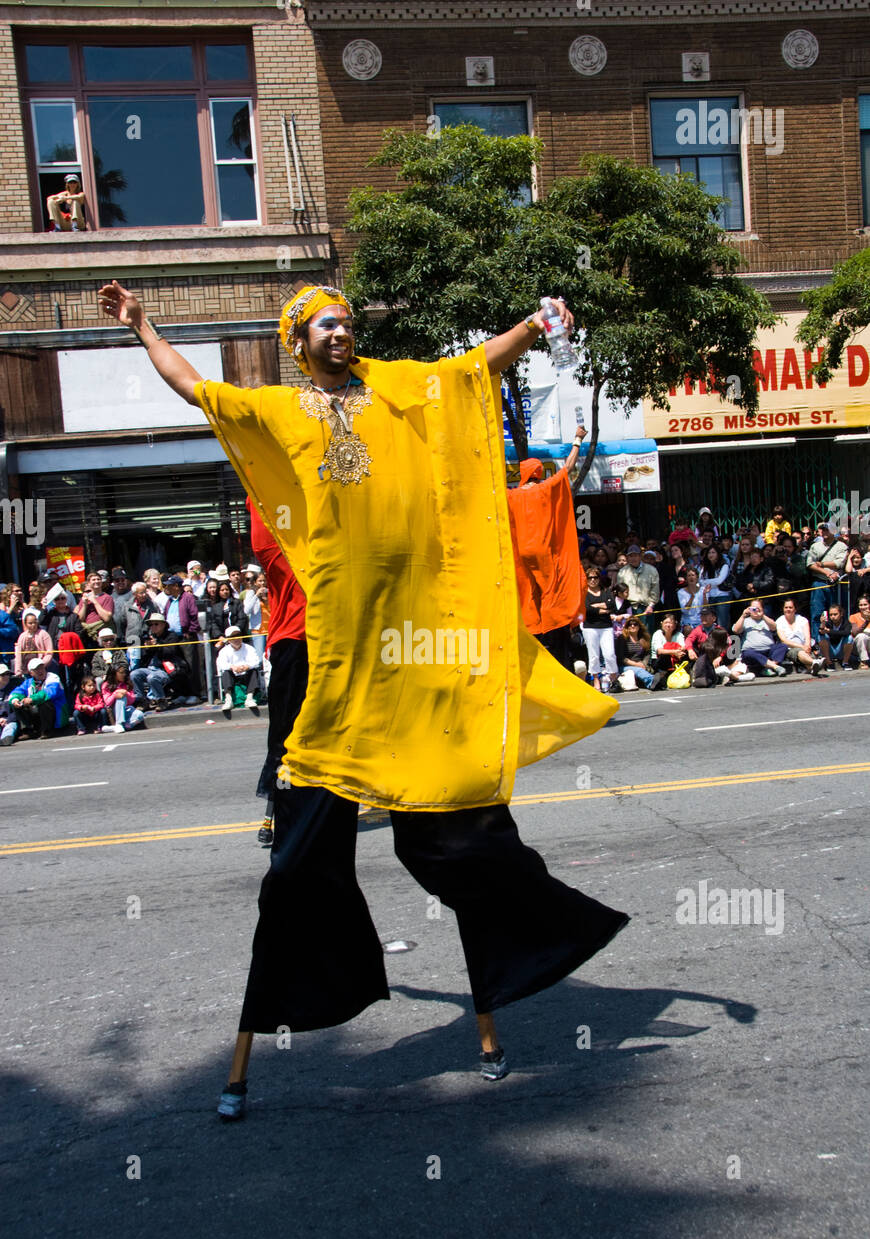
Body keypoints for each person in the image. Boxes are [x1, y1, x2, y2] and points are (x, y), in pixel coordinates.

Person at [98, 278, 631, 1119]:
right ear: (297, 340)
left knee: (455, 835)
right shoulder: (277, 409)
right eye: (327, 324)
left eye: (349, 321)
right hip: (330, 660)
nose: (344, 332)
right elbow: (195, 387)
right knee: (299, 864)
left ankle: (515, 981)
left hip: (411, 656)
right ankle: (265, 1038)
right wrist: (141, 325)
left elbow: (467, 371)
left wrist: (530, 323)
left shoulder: (394, 387)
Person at [247, 494, 308, 847]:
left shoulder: (318, 550)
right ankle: (274, 812)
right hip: (295, 644)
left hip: (312, 643)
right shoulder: (279, 556)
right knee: (285, 736)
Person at [506, 446, 587, 671]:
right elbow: (568, 467)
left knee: (529, 595)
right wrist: (577, 440)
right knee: (554, 594)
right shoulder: (545, 488)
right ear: (539, 473)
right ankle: (561, 630)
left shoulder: (511, 495)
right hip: (544, 553)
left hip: (522, 553)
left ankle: (535, 632)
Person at [130, 613, 192, 707]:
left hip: (165, 669)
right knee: (134, 674)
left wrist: (157, 646)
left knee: (152, 677)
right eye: (151, 624)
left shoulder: (171, 636)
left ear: (163, 625)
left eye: (156, 624)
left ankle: (161, 701)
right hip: (150, 668)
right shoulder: (150, 638)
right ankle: (142, 701)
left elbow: (170, 653)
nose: (153, 626)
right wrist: (147, 648)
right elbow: (144, 659)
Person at [806, 520, 848, 643]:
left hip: (835, 585)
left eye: (827, 529)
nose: (824, 531)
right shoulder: (815, 546)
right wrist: (827, 572)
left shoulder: (841, 546)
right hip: (819, 582)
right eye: (822, 529)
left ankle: (836, 641)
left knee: (836, 615)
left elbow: (839, 563)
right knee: (817, 613)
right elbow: (810, 564)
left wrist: (822, 564)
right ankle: (817, 642)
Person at [579, 565, 618, 693]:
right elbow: (586, 609)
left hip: (606, 626)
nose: (593, 580)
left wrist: (595, 607)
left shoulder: (606, 591)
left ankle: (613, 677)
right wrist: (602, 608)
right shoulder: (584, 593)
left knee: (610, 654)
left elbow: (612, 605)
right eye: (589, 578)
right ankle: (595, 679)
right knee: (594, 655)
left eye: (595, 577)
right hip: (590, 627)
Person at [8, 657, 69, 738]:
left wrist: (32, 699)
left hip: (56, 714)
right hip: (38, 713)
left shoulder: (53, 678)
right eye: (36, 669)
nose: (40, 671)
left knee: (45, 702)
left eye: (41, 667)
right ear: (31, 673)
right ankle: (29, 730)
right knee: (18, 704)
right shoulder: (28, 682)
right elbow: (17, 692)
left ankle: (47, 731)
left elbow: (50, 693)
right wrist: (15, 700)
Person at [732, 600, 789, 677]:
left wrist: (762, 615)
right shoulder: (745, 621)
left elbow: (774, 627)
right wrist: (743, 616)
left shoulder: (766, 620)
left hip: (768, 651)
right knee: (748, 653)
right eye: (753, 609)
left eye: (758, 608)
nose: (755, 611)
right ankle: (775, 667)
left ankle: (767, 667)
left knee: (782, 646)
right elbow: (736, 630)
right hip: (752, 652)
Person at [216, 625, 262, 714]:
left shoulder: (249, 648)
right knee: (226, 673)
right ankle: (228, 699)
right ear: (228, 640)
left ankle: (249, 698)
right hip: (234, 675)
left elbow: (255, 661)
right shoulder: (224, 651)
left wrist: (247, 666)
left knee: (253, 671)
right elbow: (221, 663)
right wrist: (232, 667)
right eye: (233, 637)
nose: (236, 639)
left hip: (245, 674)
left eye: (238, 636)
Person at [776, 599, 825, 676]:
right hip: (789, 649)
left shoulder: (802, 620)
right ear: (783, 609)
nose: (788, 609)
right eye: (786, 607)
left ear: (795, 609)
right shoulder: (779, 621)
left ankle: (813, 667)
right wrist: (802, 647)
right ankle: (815, 662)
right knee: (800, 652)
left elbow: (807, 636)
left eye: (790, 607)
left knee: (805, 654)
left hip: (805, 647)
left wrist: (808, 646)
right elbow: (784, 640)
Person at [616, 544, 659, 620]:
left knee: (646, 631)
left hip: (646, 608)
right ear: (627, 557)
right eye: (630, 556)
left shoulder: (652, 570)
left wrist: (651, 606)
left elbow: (655, 590)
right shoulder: (622, 572)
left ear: (640, 556)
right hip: (628, 608)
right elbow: (620, 591)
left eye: (635, 555)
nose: (633, 558)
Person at [102, 662, 146, 732]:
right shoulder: (106, 685)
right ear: (114, 673)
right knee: (121, 697)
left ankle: (120, 726)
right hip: (114, 710)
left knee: (140, 715)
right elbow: (107, 703)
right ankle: (119, 723)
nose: (124, 675)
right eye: (121, 673)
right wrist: (115, 693)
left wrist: (126, 693)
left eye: (124, 673)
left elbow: (132, 700)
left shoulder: (127, 683)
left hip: (126, 710)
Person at [75, 571, 115, 643]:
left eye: (98, 579)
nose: (96, 581)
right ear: (89, 583)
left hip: (102, 634)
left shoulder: (107, 598)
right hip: (87, 634)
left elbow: (106, 618)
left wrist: (94, 601)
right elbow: (80, 619)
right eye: (93, 580)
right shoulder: (84, 598)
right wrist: (84, 604)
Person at [617, 616, 654, 689]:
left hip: (641, 664)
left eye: (635, 624)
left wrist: (643, 664)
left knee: (643, 669)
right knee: (639, 670)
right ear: (627, 627)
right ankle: (652, 681)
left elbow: (647, 654)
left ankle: (652, 684)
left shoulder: (644, 638)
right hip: (624, 666)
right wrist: (636, 664)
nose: (632, 626)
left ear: (639, 626)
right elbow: (621, 658)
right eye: (630, 624)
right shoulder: (622, 638)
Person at [13, 609, 53, 675]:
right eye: (30, 623)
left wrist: (41, 665)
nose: (33, 625)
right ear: (25, 624)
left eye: (35, 622)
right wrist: (18, 670)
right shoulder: (22, 636)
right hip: (26, 669)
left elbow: (49, 653)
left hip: (41, 669)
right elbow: (18, 654)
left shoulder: (44, 634)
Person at [818, 603, 854, 671]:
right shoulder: (828, 622)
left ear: (841, 614)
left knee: (849, 638)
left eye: (835, 614)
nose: (833, 617)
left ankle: (845, 662)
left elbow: (846, 632)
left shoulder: (846, 622)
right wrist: (822, 623)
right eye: (831, 615)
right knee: (821, 637)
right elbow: (820, 632)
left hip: (841, 650)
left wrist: (829, 631)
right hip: (829, 650)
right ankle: (829, 663)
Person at [0, 662, 24, 746]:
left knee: (11, 727)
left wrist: (8, 720)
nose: (6, 677)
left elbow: (17, 711)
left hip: (10, 720)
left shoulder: (14, 690)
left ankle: (5, 740)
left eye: (8, 674)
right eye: (3, 675)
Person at [850, 594, 870, 668]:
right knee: (861, 636)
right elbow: (855, 633)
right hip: (857, 646)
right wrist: (866, 622)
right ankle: (863, 661)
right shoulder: (853, 617)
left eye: (865, 604)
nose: (863, 607)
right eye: (861, 605)